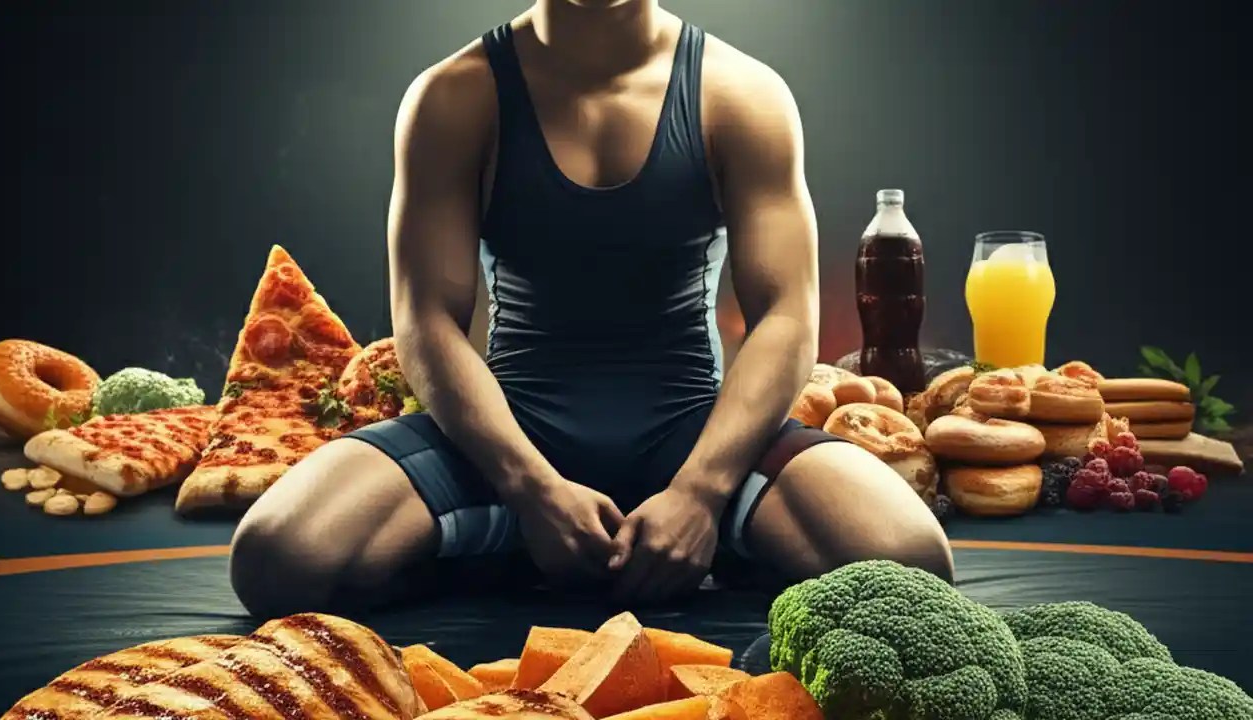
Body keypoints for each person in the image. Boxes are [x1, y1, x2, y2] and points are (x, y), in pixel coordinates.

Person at [229, 0, 953, 618]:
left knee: (911, 565)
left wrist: (701, 492)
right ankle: (517, 537)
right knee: (276, 556)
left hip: (691, 439)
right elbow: (426, 322)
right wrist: (531, 489)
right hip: (506, 443)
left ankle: (691, 536)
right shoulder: (455, 97)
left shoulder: (741, 93)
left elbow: (787, 317)